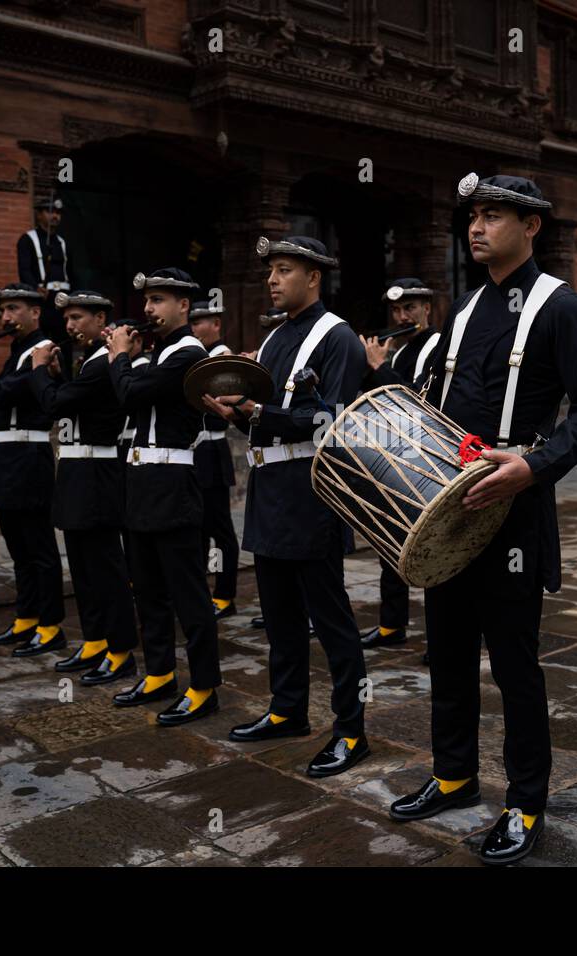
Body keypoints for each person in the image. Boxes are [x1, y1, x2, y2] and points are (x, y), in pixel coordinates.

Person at [386, 174, 577, 865]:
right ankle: (453, 776)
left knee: (515, 664)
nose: (477, 228)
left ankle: (525, 801)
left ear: (532, 225)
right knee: (448, 651)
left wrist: (534, 466)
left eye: (494, 216)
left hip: (515, 507)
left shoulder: (562, 308)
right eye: (473, 217)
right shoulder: (465, 308)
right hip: (454, 502)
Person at [202, 236, 371, 778]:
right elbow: (265, 415)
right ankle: (287, 709)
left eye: (284, 270)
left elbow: (336, 421)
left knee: (332, 618)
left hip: (313, 491)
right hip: (269, 488)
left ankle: (351, 729)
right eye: (271, 271)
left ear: (314, 276)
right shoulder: (274, 338)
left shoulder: (337, 337)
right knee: (278, 616)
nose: (272, 280)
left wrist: (256, 412)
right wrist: (233, 410)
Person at [106, 268, 222, 726]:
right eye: (147, 301)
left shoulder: (187, 353)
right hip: (141, 483)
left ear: (183, 307)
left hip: (173, 484)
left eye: (159, 300)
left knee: (187, 591)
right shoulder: (158, 352)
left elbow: (128, 395)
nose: (149, 309)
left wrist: (119, 357)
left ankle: (204, 686)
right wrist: (131, 356)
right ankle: (159, 672)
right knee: (148, 588)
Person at [28, 291, 138, 686]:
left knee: (106, 567)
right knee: (83, 565)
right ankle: (94, 638)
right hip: (76, 470)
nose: (70, 326)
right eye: (67, 319)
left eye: (78, 317)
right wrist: (56, 377)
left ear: (100, 318)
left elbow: (54, 405)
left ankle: (121, 650)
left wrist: (39, 370)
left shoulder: (99, 364)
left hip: (97, 472)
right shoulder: (87, 362)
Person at [0, 285, 66, 656]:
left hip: (29, 455)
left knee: (38, 545)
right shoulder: (17, 351)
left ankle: (51, 624)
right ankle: (27, 615)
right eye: (2, 312)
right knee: (17, 544)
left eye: (14, 309)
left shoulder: (41, 351)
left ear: (35, 313)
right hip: (7, 456)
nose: (6, 318)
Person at [356, 277, 442, 652]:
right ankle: (392, 624)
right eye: (396, 309)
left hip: (430, 462)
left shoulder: (437, 345)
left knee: (435, 550)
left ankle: (445, 638)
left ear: (427, 308)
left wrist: (378, 366)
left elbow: (414, 404)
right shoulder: (397, 350)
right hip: (397, 459)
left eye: (410, 307)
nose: (403, 315)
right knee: (390, 544)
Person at [188, 300, 241, 621]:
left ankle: (224, 594)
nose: (194, 327)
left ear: (216, 324)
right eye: (191, 322)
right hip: (194, 453)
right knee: (199, 531)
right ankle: (206, 590)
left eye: (200, 321)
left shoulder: (222, 357)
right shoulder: (198, 356)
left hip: (212, 450)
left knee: (219, 529)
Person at [17, 196, 72, 373]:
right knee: (39, 341)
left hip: (62, 301)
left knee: (64, 342)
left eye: (58, 213)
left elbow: (70, 271)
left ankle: (64, 378)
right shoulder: (27, 239)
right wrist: (34, 287)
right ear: (39, 214)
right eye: (50, 211)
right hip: (42, 301)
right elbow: (24, 269)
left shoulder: (62, 242)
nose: (55, 216)